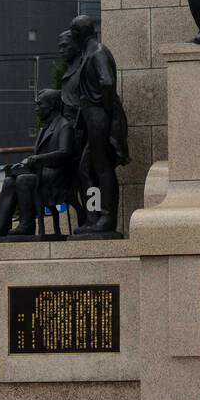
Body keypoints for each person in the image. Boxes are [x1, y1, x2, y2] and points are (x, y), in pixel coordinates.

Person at [0, 90, 77, 239]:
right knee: (9, 181)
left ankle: (27, 225)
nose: (36, 108)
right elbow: (37, 155)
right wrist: (27, 161)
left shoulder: (64, 126)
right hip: (42, 173)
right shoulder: (44, 128)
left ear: (51, 106)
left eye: (40, 105)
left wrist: (38, 158)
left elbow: (66, 153)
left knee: (23, 180)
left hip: (58, 176)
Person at [68, 15, 129, 238]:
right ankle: (93, 217)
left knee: (103, 168)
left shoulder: (98, 52)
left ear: (79, 34)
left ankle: (107, 218)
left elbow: (107, 82)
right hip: (92, 117)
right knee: (86, 169)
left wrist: (104, 109)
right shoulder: (89, 53)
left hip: (99, 116)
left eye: (73, 33)